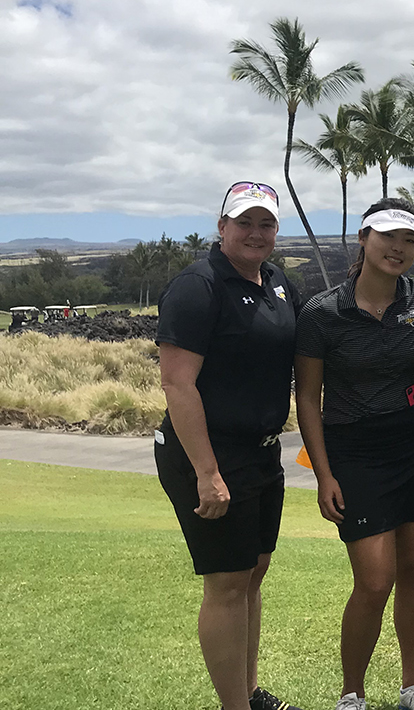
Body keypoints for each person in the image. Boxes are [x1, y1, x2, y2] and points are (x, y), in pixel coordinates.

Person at [293, 199, 414, 710]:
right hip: (353, 451)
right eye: (388, 237)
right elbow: (308, 401)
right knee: (375, 579)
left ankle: (411, 686)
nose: (398, 248)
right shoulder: (323, 313)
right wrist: (322, 473)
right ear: (363, 240)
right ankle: (351, 693)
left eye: (409, 240)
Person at [154, 181, 303, 710]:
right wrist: (207, 471)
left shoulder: (278, 282)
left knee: (253, 573)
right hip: (208, 453)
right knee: (227, 582)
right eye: (244, 222)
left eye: (266, 224)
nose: (255, 233)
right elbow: (178, 384)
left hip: (262, 451)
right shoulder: (199, 286)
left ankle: (247, 692)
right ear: (222, 227)